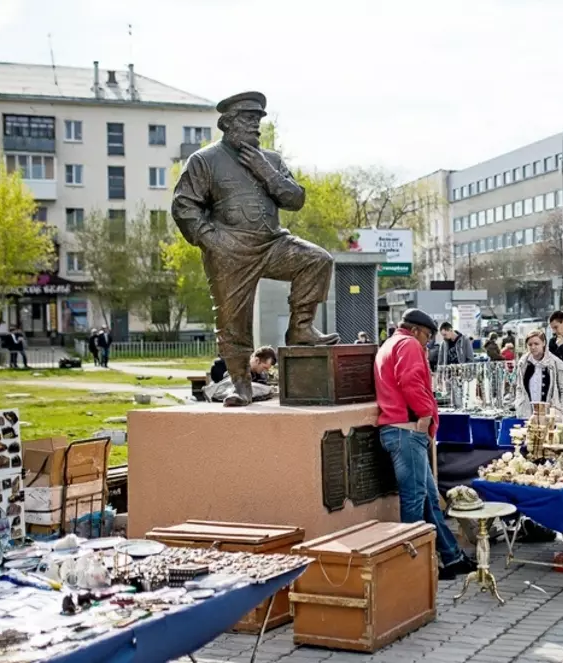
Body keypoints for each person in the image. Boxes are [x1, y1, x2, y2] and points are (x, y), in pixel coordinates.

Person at [172, 91, 338, 407]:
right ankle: (241, 385)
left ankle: (301, 329)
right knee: (232, 320)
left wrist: (266, 172)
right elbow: (184, 206)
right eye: (248, 120)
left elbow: (295, 199)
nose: (256, 126)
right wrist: (211, 240)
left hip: (273, 243)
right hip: (229, 250)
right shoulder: (204, 160)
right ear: (227, 124)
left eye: (258, 120)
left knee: (317, 260)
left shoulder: (271, 159)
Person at [373, 308, 473, 580]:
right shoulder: (408, 345)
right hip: (407, 430)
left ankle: (451, 557)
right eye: (427, 336)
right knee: (415, 501)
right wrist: (425, 415)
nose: (428, 343)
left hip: (399, 429)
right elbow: (412, 382)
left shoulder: (391, 344)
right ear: (415, 330)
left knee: (428, 498)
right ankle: (413, 567)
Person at [513, 329, 563, 418]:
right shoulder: (522, 363)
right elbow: (519, 388)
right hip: (526, 413)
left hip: (551, 415)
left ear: (543, 343)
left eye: (536, 344)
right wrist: (518, 404)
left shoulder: (556, 363)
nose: (533, 347)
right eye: (530, 344)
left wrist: (562, 410)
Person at [210, 346, 277, 385]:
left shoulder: (258, 376)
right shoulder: (234, 368)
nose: (265, 371)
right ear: (257, 360)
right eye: (264, 368)